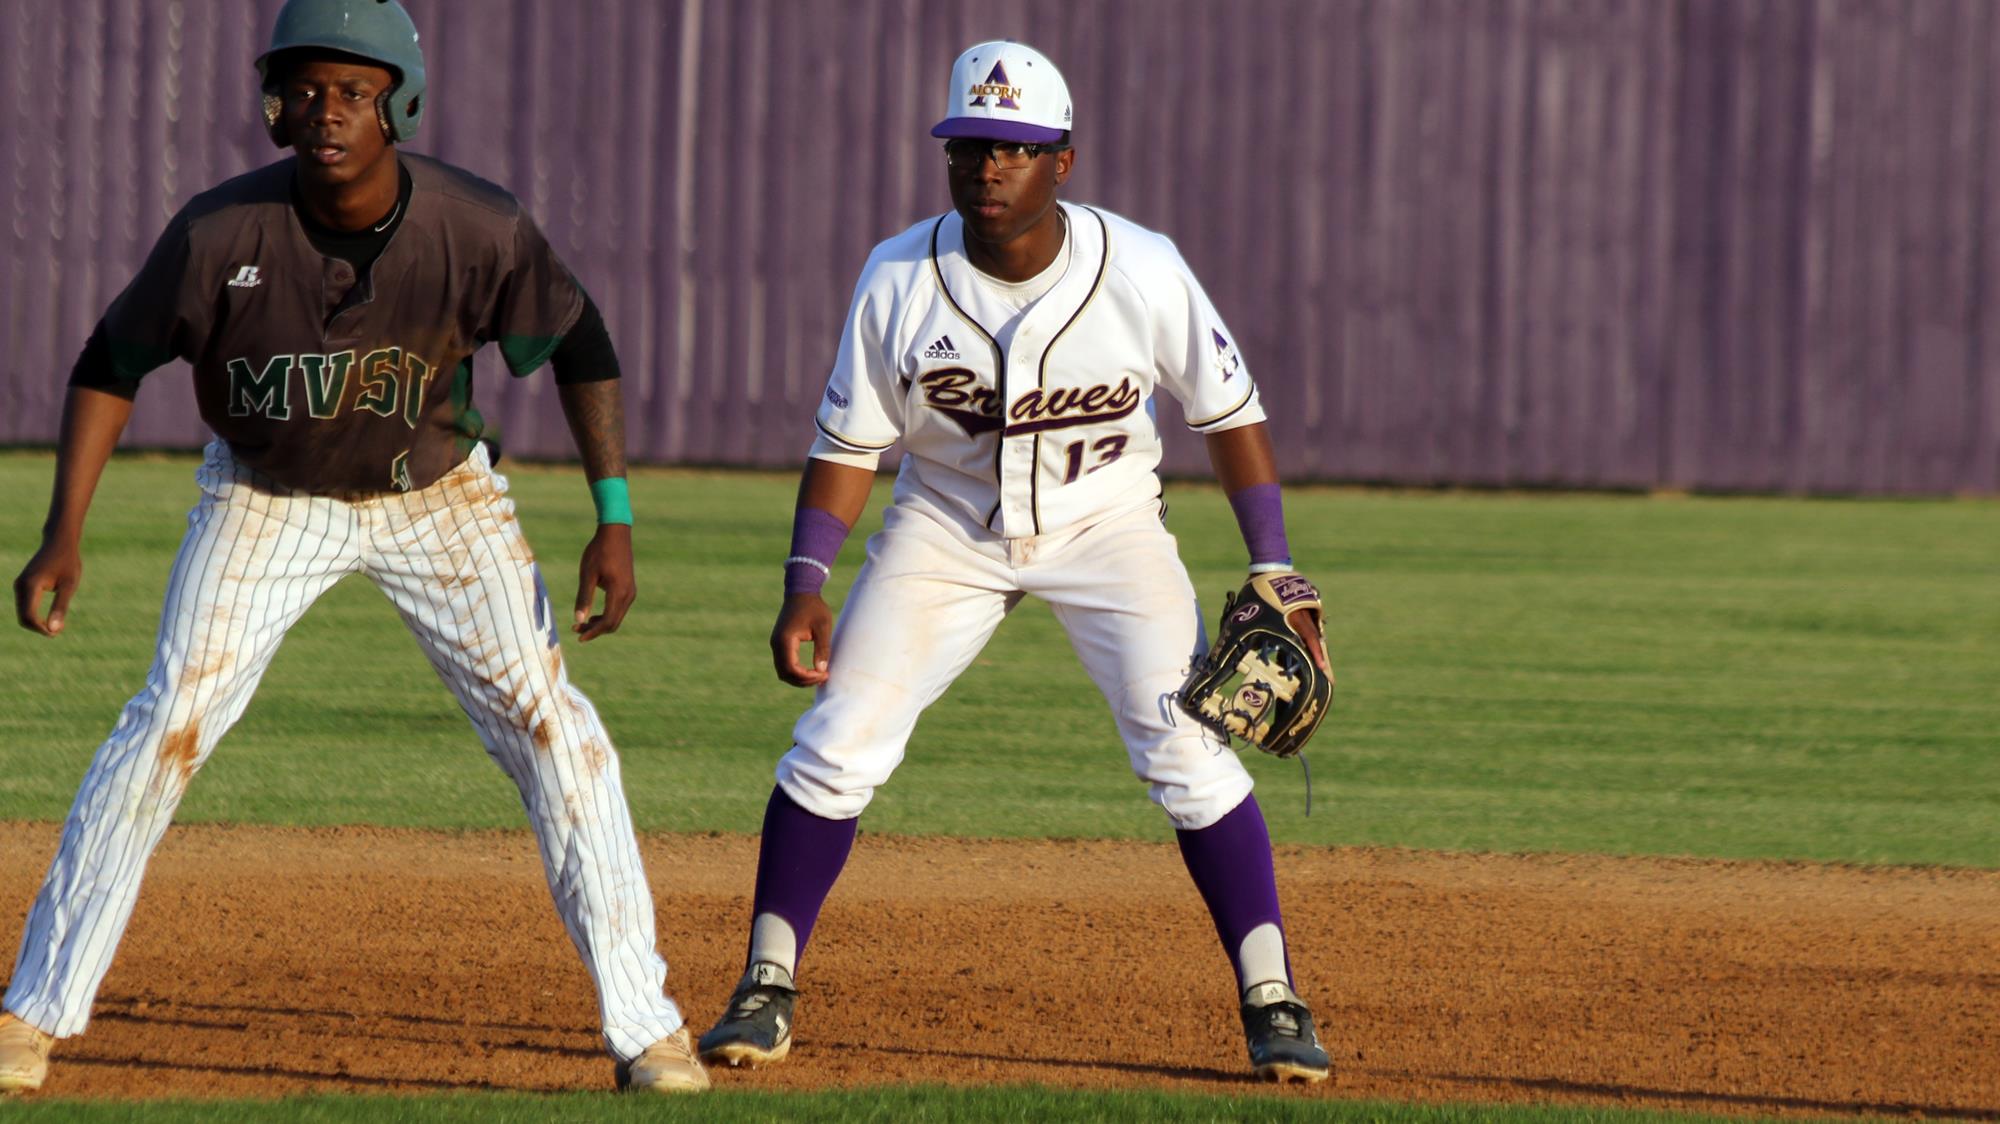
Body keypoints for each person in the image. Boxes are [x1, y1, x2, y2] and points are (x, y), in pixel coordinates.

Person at [0, 0, 706, 1095]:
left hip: (438, 499)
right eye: (308, 87)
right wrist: (63, 531)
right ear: (275, 104)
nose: (329, 109)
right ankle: (33, 1012)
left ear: (401, 106)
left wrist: (613, 517)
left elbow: (581, 341)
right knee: (164, 724)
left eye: (357, 90)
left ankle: (647, 1028)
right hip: (263, 499)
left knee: (554, 731)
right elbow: (110, 360)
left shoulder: (476, 224)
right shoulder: (216, 233)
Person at [695, 40, 1334, 1084]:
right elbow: (849, 445)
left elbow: (1230, 413)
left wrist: (1276, 567)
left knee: (1183, 748)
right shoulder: (899, 271)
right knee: (838, 739)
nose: (987, 166)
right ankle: (763, 984)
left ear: (1061, 162)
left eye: (1014, 149)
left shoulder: (1141, 266)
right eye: (970, 146)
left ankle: (1272, 994)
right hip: (944, 525)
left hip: (1109, 527)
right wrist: (804, 581)